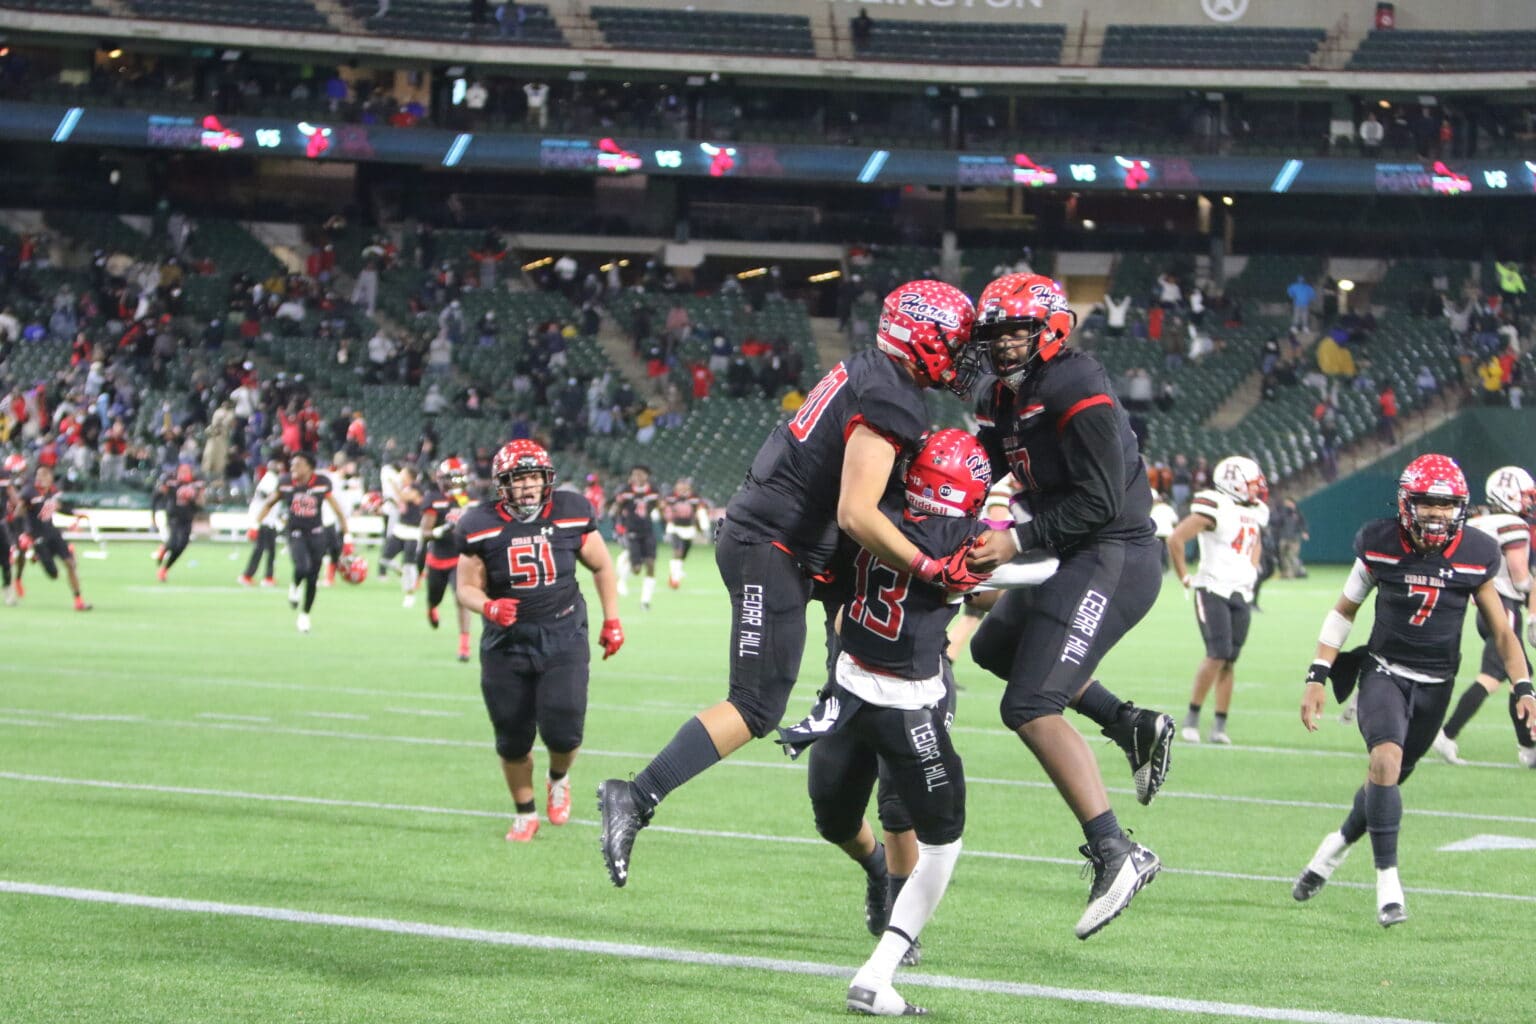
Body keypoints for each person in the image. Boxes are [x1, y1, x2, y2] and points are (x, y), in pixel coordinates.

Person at [597, 280, 984, 889]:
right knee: (754, 705)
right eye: (956, 342)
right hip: (773, 547)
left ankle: (886, 847)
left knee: (880, 659)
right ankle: (636, 794)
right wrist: (930, 565)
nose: (963, 355)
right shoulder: (892, 395)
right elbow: (858, 512)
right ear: (924, 337)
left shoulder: (876, 372)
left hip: (807, 547)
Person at [962, 273, 1173, 940]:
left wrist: (1014, 540)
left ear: (1051, 327)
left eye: (1016, 330)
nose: (1003, 344)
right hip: (1072, 551)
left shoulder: (1075, 384)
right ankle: (1128, 723)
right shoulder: (1003, 395)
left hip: (1114, 554)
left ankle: (1118, 852)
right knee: (991, 647)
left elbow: (1102, 502)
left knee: (1028, 705)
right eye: (994, 332)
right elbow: (985, 469)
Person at [777, 430, 1009, 1015]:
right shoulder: (972, 537)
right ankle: (876, 973)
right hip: (906, 708)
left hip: (848, 692)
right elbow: (1015, 576)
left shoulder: (873, 511)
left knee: (888, 815)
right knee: (939, 844)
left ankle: (883, 958)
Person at [1296, 454, 1535, 927]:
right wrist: (1317, 675)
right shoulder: (1380, 542)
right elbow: (1345, 610)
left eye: (1447, 507)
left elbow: (1503, 632)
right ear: (1408, 503)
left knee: (1387, 782)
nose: (1437, 516)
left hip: (1437, 683)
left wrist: (1523, 683)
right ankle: (1388, 883)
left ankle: (1334, 847)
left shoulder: (1475, 551)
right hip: (1384, 670)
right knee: (1383, 759)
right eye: (1428, 504)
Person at [455, 440, 623, 842]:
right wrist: (489, 607)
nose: (528, 486)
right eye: (519, 478)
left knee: (564, 728)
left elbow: (601, 565)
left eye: (534, 477)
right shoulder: (478, 523)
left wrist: (612, 620)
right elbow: (465, 587)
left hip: (563, 632)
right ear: (503, 484)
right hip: (506, 643)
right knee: (512, 735)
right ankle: (525, 812)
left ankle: (558, 778)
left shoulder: (571, 511)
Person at [1432, 465, 1536, 767]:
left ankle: (1528, 748)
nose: (1529, 502)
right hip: (1503, 608)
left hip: (1484, 604)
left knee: (1521, 677)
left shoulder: (1476, 522)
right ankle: (1447, 734)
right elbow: (1519, 576)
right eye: (1526, 496)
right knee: (1493, 676)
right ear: (1509, 496)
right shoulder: (1512, 525)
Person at [1167, 456, 1269, 745]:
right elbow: (1176, 538)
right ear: (1234, 483)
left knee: (1230, 660)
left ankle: (1220, 726)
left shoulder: (1257, 511)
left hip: (1241, 592)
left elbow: (1255, 541)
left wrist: (1252, 567)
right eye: (1251, 484)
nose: (1256, 490)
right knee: (1217, 654)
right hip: (1212, 588)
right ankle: (1192, 717)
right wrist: (1185, 577)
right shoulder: (1215, 505)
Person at [252, 451, 351, 633]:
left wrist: (347, 535)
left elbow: (337, 510)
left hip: (316, 532)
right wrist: (255, 524)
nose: (293, 468)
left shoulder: (322, 483)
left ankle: (305, 615)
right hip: (295, 532)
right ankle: (295, 586)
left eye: (297, 464)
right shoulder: (286, 482)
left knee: (313, 577)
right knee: (301, 567)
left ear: (309, 467)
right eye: (292, 464)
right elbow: (269, 503)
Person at [419, 456, 475, 663]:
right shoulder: (434, 498)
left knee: (461, 599)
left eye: (459, 478)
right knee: (435, 598)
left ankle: (464, 646)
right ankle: (431, 608)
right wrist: (443, 529)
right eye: (452, 478)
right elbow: (424, 532)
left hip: (460, 558)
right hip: (438, 558)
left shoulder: (471, 498)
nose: (456, 482)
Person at [17, 464, 91, 610]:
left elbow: (57, 506)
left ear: (51, 478)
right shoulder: (29, 492)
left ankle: (79, 601)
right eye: (39, 475)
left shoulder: (51, 491)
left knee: (70, 564)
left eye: (44, 475)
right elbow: (19, 513)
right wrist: (25, 533)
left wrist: (75, 514)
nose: (40, 478)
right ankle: (36, 556)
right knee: (54, 575)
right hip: (38, 537)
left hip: (53, 533)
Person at [609, 465, 662, 609]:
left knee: (651, 564)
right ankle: (621, 576)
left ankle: (645, 601)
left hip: (648, 532)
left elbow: (660, 506)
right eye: (634, 474)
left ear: (646, 476)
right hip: (632, 532)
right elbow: (616, 510)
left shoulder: (653, 490)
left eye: (640, 474)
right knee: (636, 569)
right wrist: (618, 525)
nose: (637, 477)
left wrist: (662, 511)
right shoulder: (625, 491)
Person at [151, 464, 205, 582]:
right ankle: (164, 548)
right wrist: (153, 515)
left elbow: (201, 503)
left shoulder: (197, 484)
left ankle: (164, 569)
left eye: (186, 471)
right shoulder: (171, 482)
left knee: (182, 545)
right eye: (182, 471)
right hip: (174, 516)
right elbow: (157, 495)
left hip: (187, 518)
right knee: (173, 543)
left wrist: (195, 499)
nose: (184, 474)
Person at [239, 456, 286, 587]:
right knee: (262, 549)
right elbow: (262, 495)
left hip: (268, 521)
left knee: (269, 550)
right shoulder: (270, 479)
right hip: (264, 521)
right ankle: (250, 575)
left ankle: (267, 576)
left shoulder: (272, 479)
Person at [662, 477, 709, 590]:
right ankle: (675, 579)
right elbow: (664, 508)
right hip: (675, 528)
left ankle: (675, 571)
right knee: (678, 551)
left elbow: (700, 511)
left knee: (684, 554)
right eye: (680, 485)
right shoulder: (671, 497)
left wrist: (702, 529)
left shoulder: (694, 497)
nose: (682, 488)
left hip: (689, 529)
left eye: (685, 486)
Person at [1, 453, 27, 605]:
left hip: (3, 522)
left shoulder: (5, 476)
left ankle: (8, 591)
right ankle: (8, 592)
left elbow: (14, 499)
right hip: (4, 523)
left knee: (5, 560)